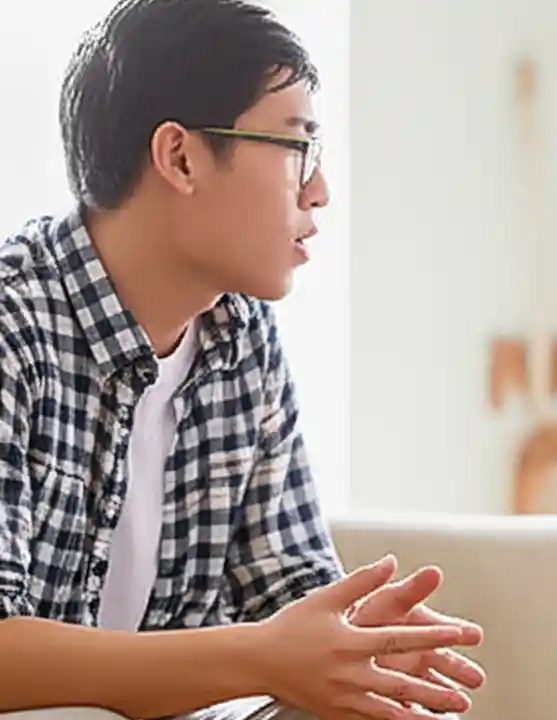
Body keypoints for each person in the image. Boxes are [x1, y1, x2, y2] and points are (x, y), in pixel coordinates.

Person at [0, 1, 485, 718]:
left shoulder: (240, 336)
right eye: (297, 148)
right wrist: (259, 655)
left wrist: (358, 652)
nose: (319, 192)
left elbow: (290, 592)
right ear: (181, 157)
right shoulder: (15, 325)